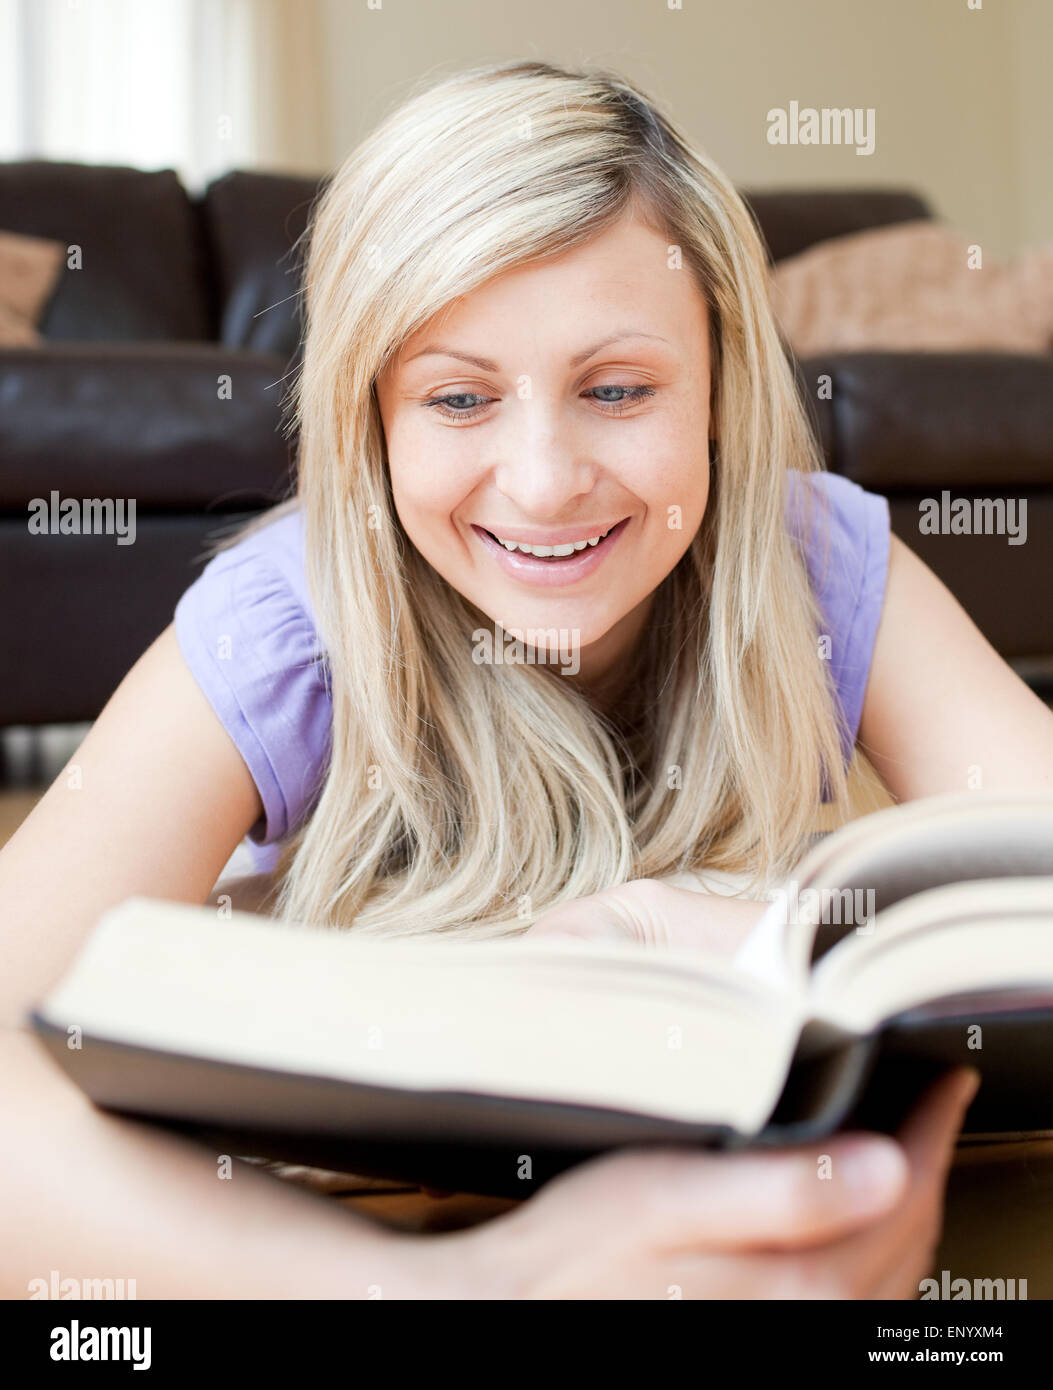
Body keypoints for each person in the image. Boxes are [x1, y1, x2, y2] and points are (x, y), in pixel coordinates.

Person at [1, 60, 1050, 1299]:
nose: (544, 481)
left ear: (718, 388)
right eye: (457, 396)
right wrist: (481, 1287)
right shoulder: (287, 625)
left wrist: (747, 942)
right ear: (370, 421)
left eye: (617, 389)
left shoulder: (814, 560)